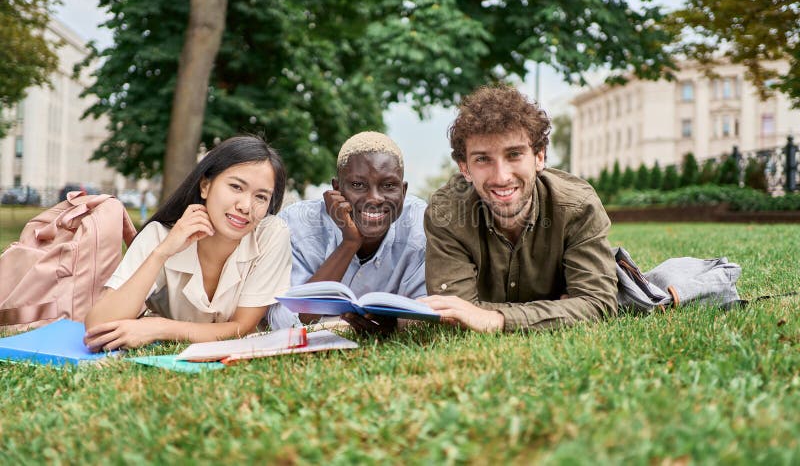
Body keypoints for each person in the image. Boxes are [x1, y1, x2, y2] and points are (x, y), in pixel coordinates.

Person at [421, 85, 618, 332]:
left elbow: (598, 303)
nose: (501, 177)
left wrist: (495, 319)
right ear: (465, 168)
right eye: (482, 159)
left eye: (514, 154)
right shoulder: (446, 214)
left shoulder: (578, 206)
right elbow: (453, 313)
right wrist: (559, 309)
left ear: (539, 157)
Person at [84, 136, 294, 351]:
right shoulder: (161, 234)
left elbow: (242, 328)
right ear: (205, 186)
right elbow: (99, 325)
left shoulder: (271, 234)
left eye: (261, 197)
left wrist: (159, 328)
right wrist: (163, 252)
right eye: (236, 187)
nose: (245, 206)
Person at [278, 131, 427, 333]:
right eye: (358, 185)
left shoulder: (420, 225)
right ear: (337, 189)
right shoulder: (298, 224)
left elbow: (427, 315)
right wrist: (349, 242)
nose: (374, 198)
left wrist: (396, 325)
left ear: (404, 190)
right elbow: (284, 319)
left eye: (389, 185)